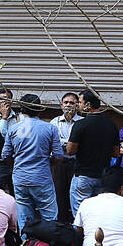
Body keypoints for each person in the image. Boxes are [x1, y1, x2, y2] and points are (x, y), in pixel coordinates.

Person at [0, 94, 60, 236]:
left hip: (20, 178)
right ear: (39, 109)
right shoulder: (50, 128)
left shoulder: (14, 129)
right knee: (50, 218)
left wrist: (18, 163)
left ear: (21, 110)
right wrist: (47, 162)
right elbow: (58, 156)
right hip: (42, 178)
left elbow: (5, 156)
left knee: (25, 219)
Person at [66, 88, 119, 212]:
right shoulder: (111, 125)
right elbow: (116, 153)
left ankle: (80, 232)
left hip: (83, 176)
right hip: (102, 176)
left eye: (79, 102)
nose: (78, 105)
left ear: (88, 105)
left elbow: (70, 150)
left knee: (80, 214)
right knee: (98, 213)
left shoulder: (80, 124)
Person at [51, 92, 82, 223]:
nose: (68, 105)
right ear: (61, 105)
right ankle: (61, 224)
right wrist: (71, 142)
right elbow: (54, 142)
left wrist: (65, 142)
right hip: (58, 163)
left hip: (77, 163)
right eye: (66, 102)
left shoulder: (81, 122)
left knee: (75, 195)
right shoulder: (54, 122)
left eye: (72, 102)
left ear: (77, 106)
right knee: (59, 194)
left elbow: (81, 143)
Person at [0, 88, 17, 192]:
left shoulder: (19, 118)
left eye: (7, 99)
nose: (4, 102)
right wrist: (4, 118)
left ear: (11, 101)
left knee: (15, 191)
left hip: (15, 161)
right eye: (1, 99)